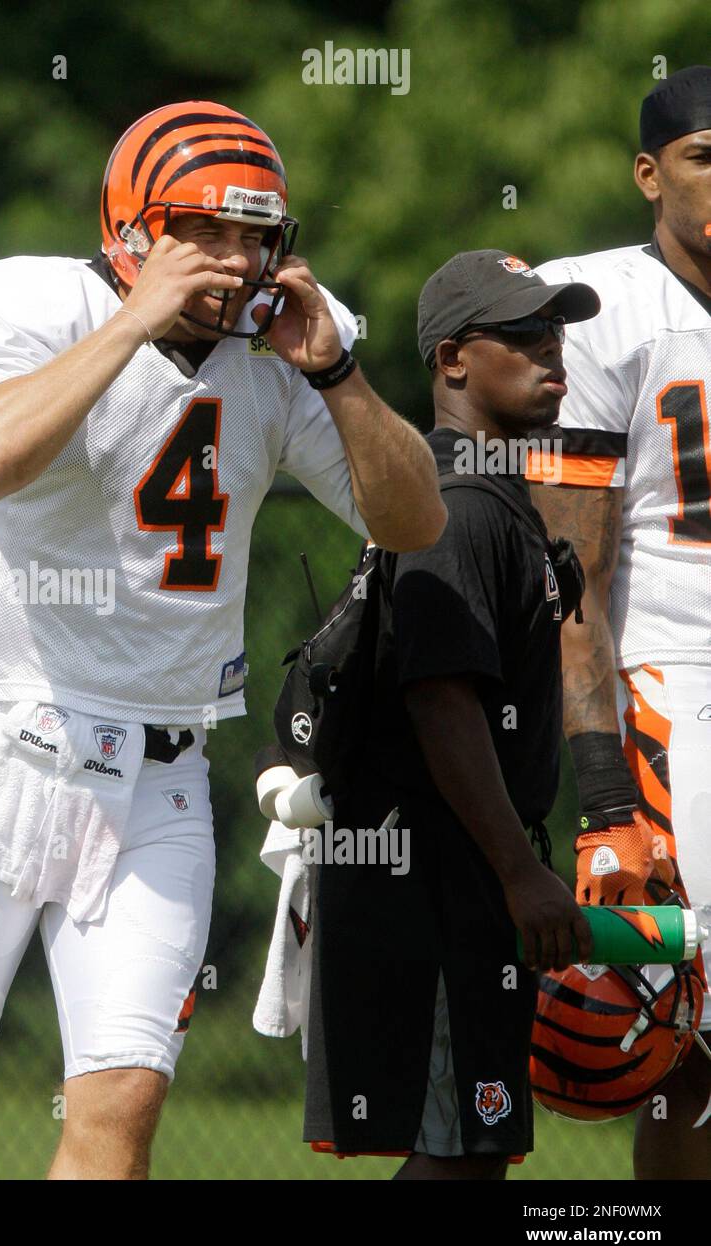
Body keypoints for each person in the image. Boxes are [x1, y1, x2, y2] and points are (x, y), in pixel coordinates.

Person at [0, 100, 446, 1181]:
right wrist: (129, 325)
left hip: (164, 774)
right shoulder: (33, 304)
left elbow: (411, 523)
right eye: (209, 231)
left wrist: (335, 376)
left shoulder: (280, 346)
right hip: (2, 744)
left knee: (123, 1104)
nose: (239, 260)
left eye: (258, 235)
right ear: (134, 232)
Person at [303, 250, 599, 1178]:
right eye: (521, 332)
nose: (551, 350)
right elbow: (442, 704)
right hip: (434, 873)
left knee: (471, 1157)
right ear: (453, 361)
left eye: (554, 328)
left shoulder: (479, 489)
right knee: (457, 1160)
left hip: (459, 869)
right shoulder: (461, 504)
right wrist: (519, 874)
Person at [528, 65, 711, 1180]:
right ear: (648, 175)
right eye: (705, 155)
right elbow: (570, 583)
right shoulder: (602, 310)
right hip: (673, 694)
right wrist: (604, 797)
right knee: (683, 1049)